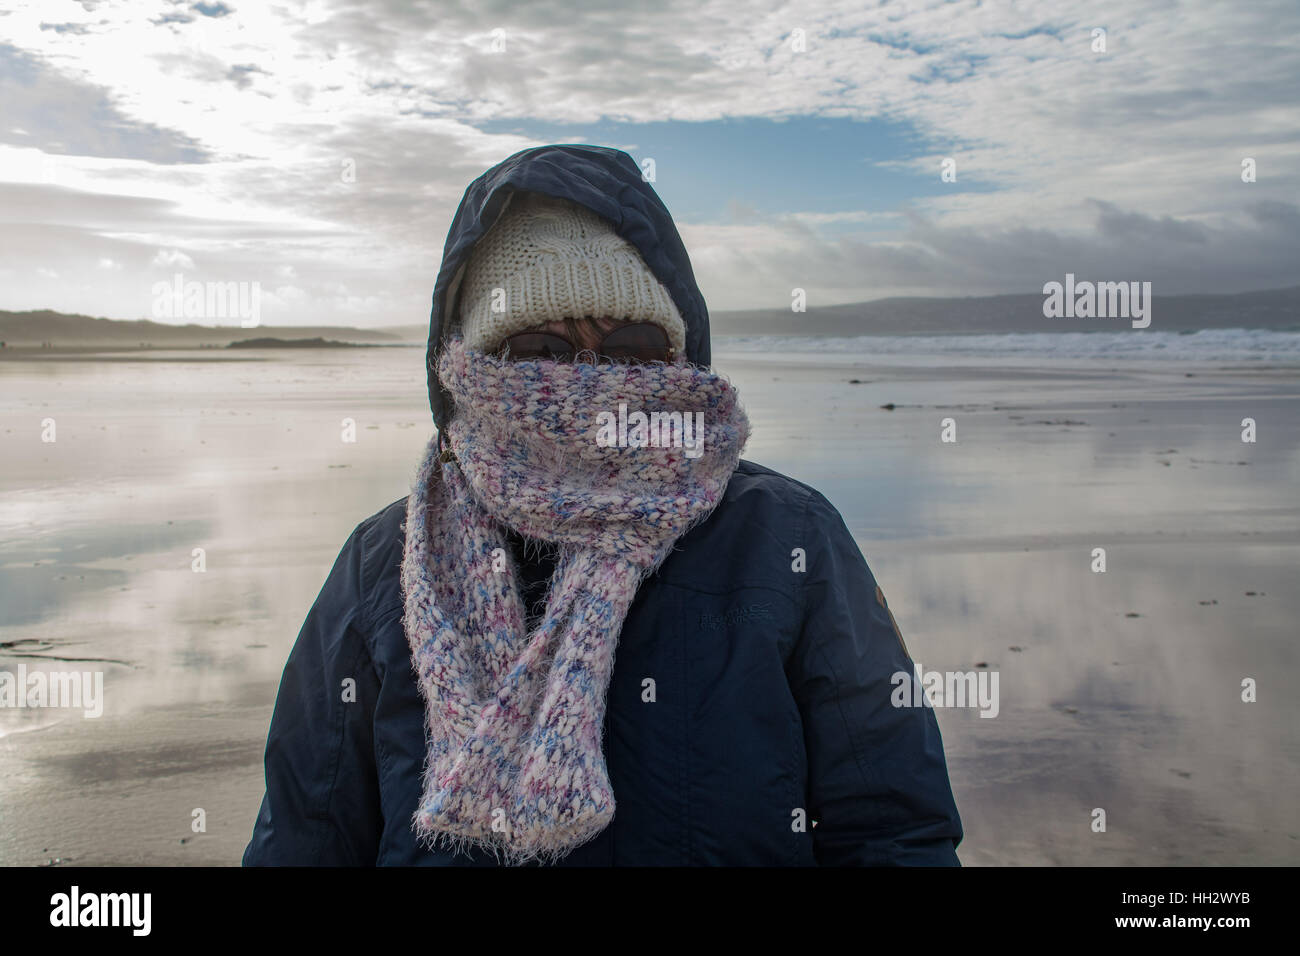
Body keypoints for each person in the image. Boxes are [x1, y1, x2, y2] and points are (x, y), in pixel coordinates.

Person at [242, 144, 963, 866]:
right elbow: (305, 837)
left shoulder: (788, 537)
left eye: (633, 343)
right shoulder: (384, 563)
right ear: (470, 361)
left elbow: (891, 828)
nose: (590, 376)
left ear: (678, 356)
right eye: (538, 347)